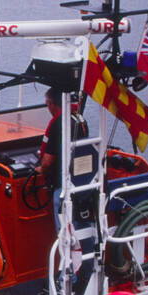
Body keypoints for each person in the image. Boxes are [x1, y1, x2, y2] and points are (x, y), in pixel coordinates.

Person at [37, 87, 89, 231]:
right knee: (83, 226)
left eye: (48, 105)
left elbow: (47, 162)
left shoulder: (58, 124)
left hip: (63, 186)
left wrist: (41, 169)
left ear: (53, 104)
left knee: (65, 232)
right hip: (82, 183)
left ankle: (68, 251)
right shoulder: (80, 119)